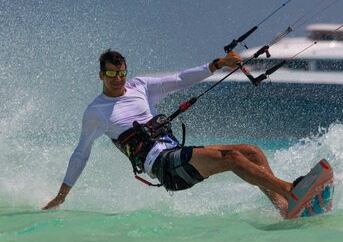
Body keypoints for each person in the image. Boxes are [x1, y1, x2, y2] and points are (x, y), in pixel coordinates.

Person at [42, 49, 299, 217]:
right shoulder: (96, 111)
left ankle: (286, 209)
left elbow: (180, 79)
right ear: (101, 75)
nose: (117, 79)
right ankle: (291, 190)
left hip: (175, 154)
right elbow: (80, 154)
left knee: (251, 152)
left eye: (121, 72)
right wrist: (61, 196)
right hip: (163, 168)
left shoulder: (140, 86)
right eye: (111, 73)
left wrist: (217, 64)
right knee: (231, 158)